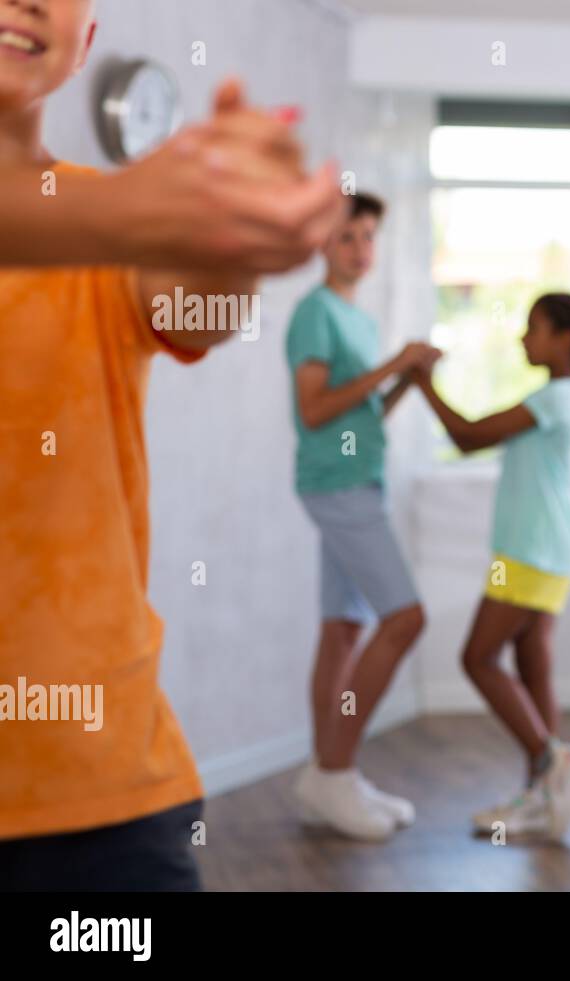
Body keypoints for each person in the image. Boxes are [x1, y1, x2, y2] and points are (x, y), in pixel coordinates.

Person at [0, 0, 340, 890]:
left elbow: (198, 304)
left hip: (101, 785)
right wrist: (134, 207)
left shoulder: (110, 229)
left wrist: (233, 232)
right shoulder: (110, 215)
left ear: (86, 48)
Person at [409, 294, 570, 838]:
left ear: (566, 338)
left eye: (534, 328)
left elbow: (468, 437)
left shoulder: (557, 397)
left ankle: (551, 758)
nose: (523, 337)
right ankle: (543, 798)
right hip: (546, 549)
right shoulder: (564, 396)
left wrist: (423, 381)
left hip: (530, 552)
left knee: (477, 658)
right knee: (531, 664)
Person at [286, 192, 439, 841]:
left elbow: (362, 412)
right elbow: (315, 410)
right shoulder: (314, 312)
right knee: (405, 618)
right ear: (323, 243)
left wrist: (407, 376)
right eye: (347, 236)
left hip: (358, 480)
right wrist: (391, 364)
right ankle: (335, 770)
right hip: (337, 484)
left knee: (343, 629)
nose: (359, 248)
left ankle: (330, 776)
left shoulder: (357, 319)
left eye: (368, 236)